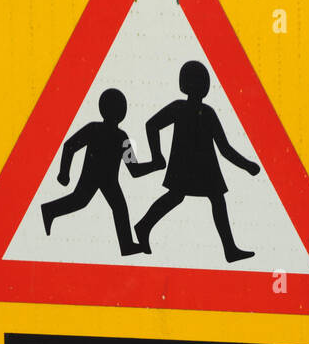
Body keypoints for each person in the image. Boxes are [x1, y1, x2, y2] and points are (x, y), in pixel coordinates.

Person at [133, 60, 259, 262]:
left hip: (205, 167)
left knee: (203, 198)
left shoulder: (207, 112)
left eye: (203, 82)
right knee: (182, 196)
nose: (201, 86)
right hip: (186, 166)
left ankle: (229, 249)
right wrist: (157, 155)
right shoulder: (179, 108)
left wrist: (247, 165)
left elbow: (224, 148)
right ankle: (143, 226)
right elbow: (152, 125)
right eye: (197, 82)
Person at [41, 88, 149, 257]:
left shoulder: (121, 137)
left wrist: (154, 166)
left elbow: (133, 169)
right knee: (82, 201)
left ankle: (126, 245)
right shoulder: (100, 130)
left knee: (114, 206)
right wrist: (63, 173)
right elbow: (70, 146)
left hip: (109, 181)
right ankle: (49, 210)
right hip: (93, 177)